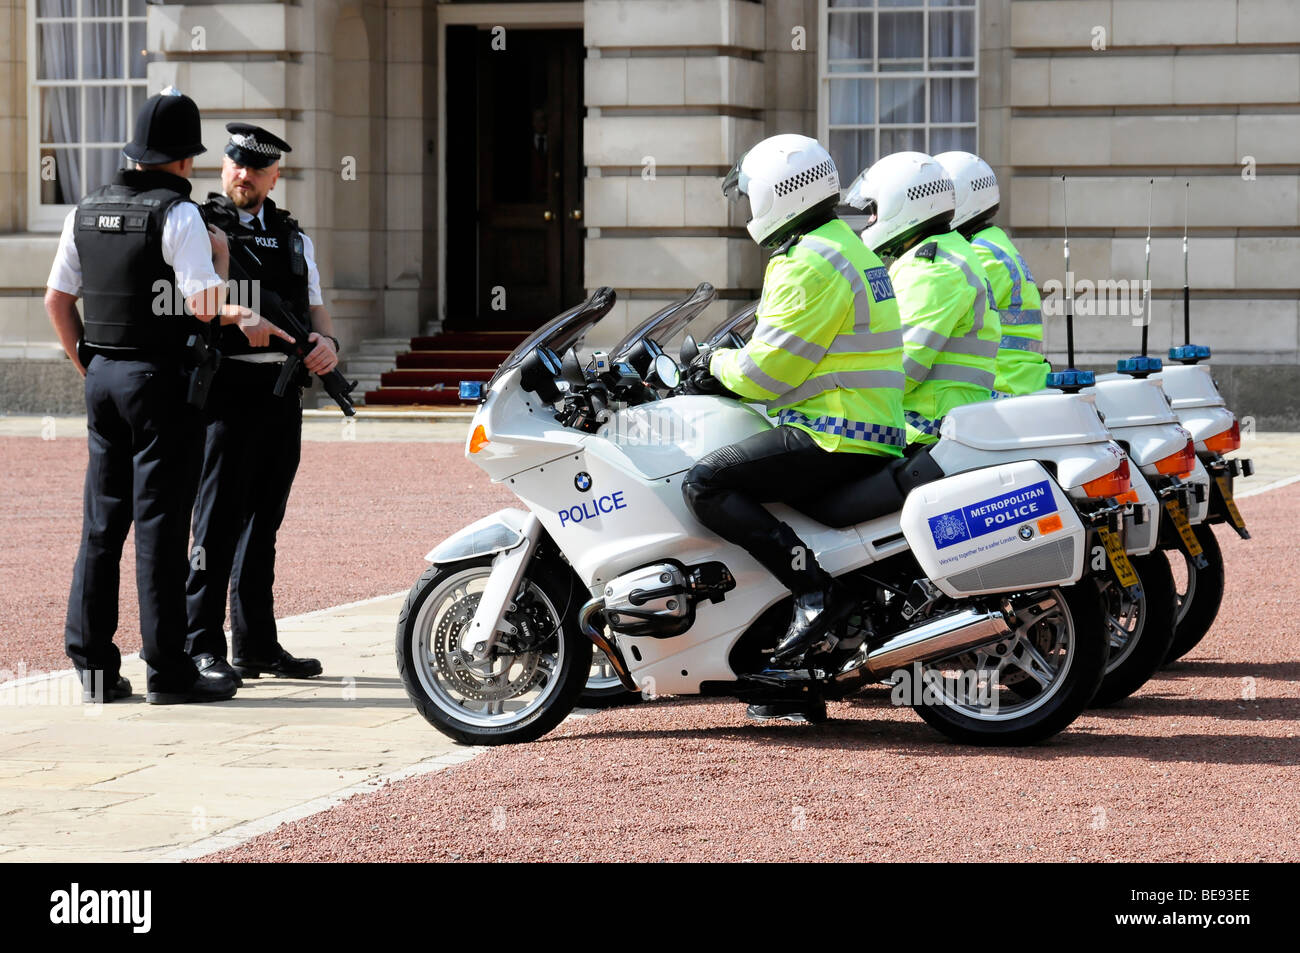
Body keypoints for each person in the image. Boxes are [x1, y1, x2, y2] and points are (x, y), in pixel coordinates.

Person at [45, 90, 291, 705]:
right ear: (184, 159)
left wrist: (89, 365)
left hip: (103, 376)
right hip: (160, 382)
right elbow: (204, 302)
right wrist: (232, 282)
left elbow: (57, 300)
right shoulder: (177, 215)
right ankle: (169, 671)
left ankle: (95, 670)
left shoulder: (87, 208)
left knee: (102, 528)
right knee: (160, 526)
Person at [679, 134, 907, 709]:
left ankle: (814, 591)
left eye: (753, 194)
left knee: (707, 483)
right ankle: (793, 666)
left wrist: (710, 361)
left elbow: (766, 371)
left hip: (835, 430)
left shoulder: (808, 260)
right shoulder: (846, 247)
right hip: (870, 427)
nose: (750, 207)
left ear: (780, 193)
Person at [185, 124, 338, 684]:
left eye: (255, 167)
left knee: (262, 525)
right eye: (235, 164)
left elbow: (316, 310)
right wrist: (236, 312)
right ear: (224, 167)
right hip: (226, 392)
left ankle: (256, 645)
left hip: (281, 393)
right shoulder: (201, 227)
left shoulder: (296, 239)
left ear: (275, 175)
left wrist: (328, 345)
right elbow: (187, 299)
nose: (243, 175)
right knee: (215, 523)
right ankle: (200, 643)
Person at [845, 152, 1002, 445]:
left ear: (902, 203)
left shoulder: (932, 268)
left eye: (875, 209)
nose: (869, 219)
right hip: (942, 419)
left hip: (927, 427)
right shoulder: (946, 252)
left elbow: (901, 367)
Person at [933, 151, 1047, 397]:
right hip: (1018, 381)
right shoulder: (993, 244)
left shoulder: (979, 255)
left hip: (1002, 385)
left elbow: (937, 323)